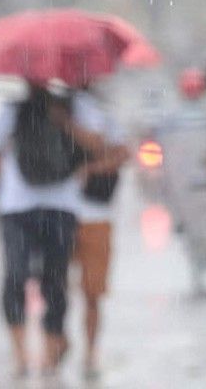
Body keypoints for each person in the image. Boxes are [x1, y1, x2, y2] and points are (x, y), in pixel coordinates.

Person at [0, 84, 107, 377]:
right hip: (16, 207)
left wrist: (66, 122)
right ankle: (20, 353)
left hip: (61, 205)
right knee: (15, 276)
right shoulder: (11, 111)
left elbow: (99, 147)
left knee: (55, 281)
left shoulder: (76, 106)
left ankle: (49, 351)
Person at [72, 96, 129, 379]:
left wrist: (93, 166)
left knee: (92, 293)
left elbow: (122, 154)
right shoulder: (48, 112)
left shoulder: (102, 114)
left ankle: (90, 352)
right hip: (58, 215)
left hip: (96, 216)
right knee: (53, 288)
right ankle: (54, 344)